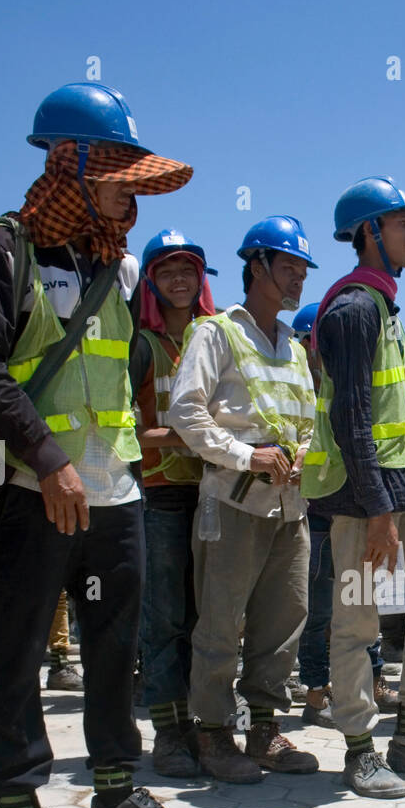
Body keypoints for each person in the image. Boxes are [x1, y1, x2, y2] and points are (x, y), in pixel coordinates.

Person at [0, 80, 203, 808]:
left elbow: (124, 372)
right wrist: (48, 457)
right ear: (74, 165)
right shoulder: (4, 249)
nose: (132, 199)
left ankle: (115, 792)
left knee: (113, 648)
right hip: (37, 493)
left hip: (116, 494)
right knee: (21, 652)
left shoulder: (120, 267)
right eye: (122, 179)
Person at [301, 176, 405, 796]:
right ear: (369, 232)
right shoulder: (351, 310)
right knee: (357, 624)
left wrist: (403, 499)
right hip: (361, 500)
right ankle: (357, 750)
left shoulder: (384, 306)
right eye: (403, 223)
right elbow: (350, 418)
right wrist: (377, 510)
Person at [169, 216, 320, 783]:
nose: (298, 278)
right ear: (256, 267)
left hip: (290, 506)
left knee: (284, 621)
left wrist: (305, 453)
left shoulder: (296, 348)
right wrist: (244, 454)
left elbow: (306, 420)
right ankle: (212, 734)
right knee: (220, 622)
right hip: (231, 502)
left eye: (303, 269)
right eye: (288, 266)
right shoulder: (216, 333)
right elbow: (186, 411)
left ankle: (263, 729)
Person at [133, 228, 217, 774]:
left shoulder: (217, 338)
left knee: (209, 616)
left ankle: (208, 722)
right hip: (161, 496)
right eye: (167, 271)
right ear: (151, 282)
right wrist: (184, 436)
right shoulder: (141, 345)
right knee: (163, 617)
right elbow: (121, 429)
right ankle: (168, 731)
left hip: (215, 494)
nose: (180, 280)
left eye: (188, 270)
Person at [292, 302, 398, 727]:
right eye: (311, 344)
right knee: (319, 610)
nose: (316, 352)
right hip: (315, 516)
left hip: (351, 509)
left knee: (360, 602)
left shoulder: (347, 382)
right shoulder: (301, 390)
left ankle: (373, 682)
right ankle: (317, 694)